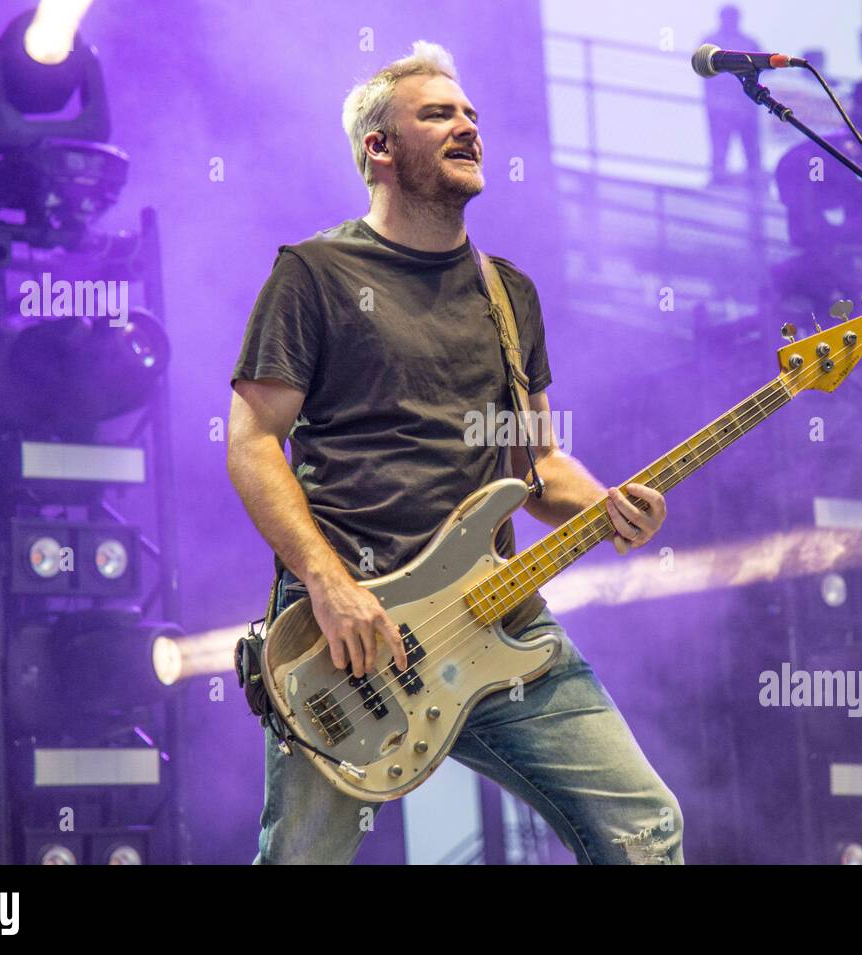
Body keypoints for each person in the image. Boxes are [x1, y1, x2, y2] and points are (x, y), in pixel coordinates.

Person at [226, 41, 684, 864]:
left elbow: (535, 468)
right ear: (380, 148)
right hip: (346, 636)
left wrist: (606, 504)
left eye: (472, 113)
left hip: (495, 620)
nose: (467, 125)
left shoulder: (509, 294)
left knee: (644, 830)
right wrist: (329, 586)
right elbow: (254, 443)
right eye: (438, 113)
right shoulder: (316, 274)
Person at [701, 5, 764, 185]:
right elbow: (704, 70)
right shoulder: (709, 43)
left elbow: (764, 68)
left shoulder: (750, 43)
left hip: (746, 106)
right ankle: (718, 179)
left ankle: (754, 182)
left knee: (751, 150)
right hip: (720, 107)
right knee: (719, 148)